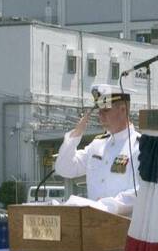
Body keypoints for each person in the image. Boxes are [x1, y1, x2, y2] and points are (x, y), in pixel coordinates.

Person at [54, 84, 140, 215]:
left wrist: (106, 206)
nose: (100, 115)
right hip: (94, 225)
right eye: (98, 110)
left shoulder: (140, 146)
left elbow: (142, 191)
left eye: (105, 110)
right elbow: (64, 168)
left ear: (122, 109)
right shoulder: (97, 145)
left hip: (124, 227)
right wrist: (75, 135)